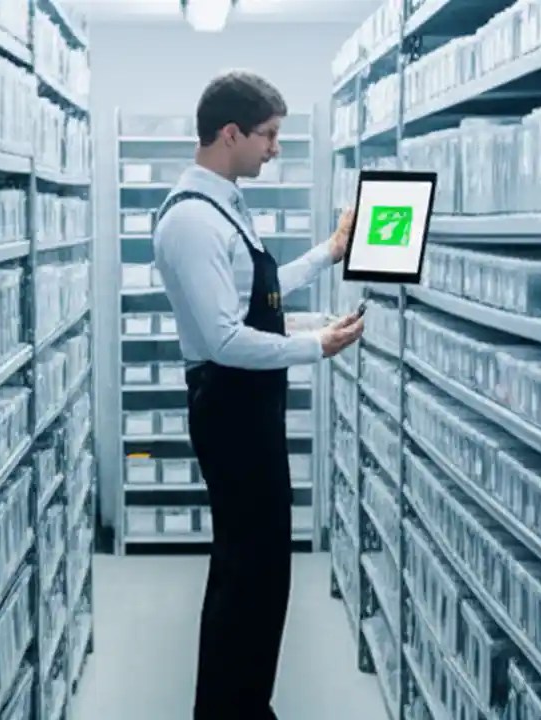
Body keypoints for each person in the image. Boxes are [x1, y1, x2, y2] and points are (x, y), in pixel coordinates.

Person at [151, 69, 365, 720]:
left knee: (263, 567)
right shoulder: (192, 221)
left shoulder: (222, 204)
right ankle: (227, 710)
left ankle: (244, 702)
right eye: (269, 136)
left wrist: (329, 253)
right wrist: (314, 347)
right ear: (229, 133)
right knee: (246, 569)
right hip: (230, 408)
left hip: (249, 403)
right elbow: (222, 340)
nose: (276, 148)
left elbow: (257, 296)